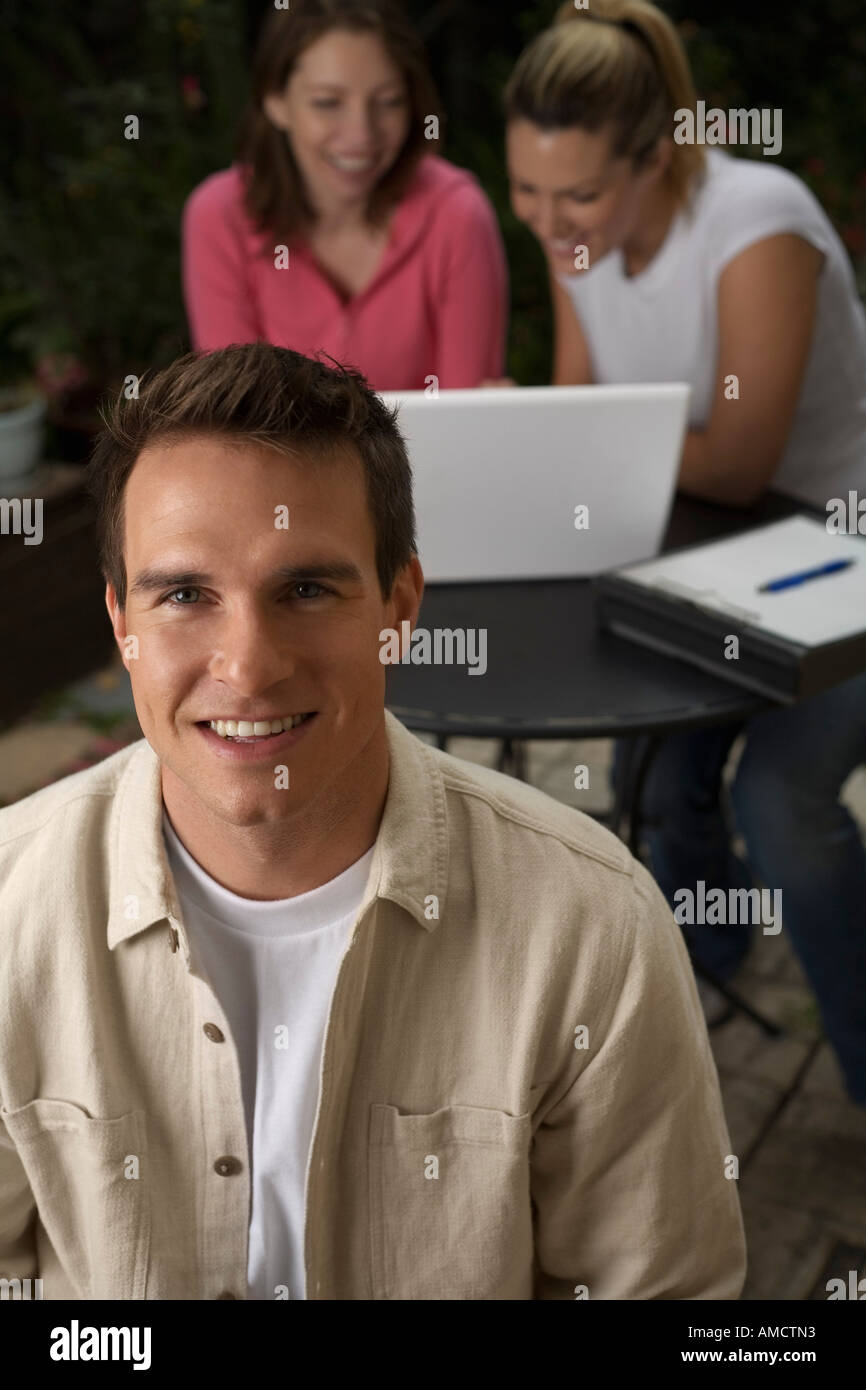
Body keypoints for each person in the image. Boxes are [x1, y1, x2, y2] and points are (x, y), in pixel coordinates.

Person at [0, 342, 745, 1300]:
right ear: (121, 625)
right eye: (185, 594)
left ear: (399, 606)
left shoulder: (592, 926)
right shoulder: (14, 909)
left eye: (306, 589)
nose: (250, 666)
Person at [502, 0, 866, 1101]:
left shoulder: (755, 219)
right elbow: (581, 414)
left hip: (834, 541)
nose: (549, 223)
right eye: (524, 190)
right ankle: (706, 966)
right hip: (706, 551)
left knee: (778, 804)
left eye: (577, 194)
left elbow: (742, 455)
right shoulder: (580, 231)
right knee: (651, 777)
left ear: (657, 155)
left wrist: (592, 443)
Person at [181, 0, 507, 391]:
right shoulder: (218, 216)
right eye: (328, 102)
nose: (361, 136)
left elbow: (466, 417)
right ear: (276, 101)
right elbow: (233, 417)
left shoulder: (458, 214)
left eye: (388, 101)